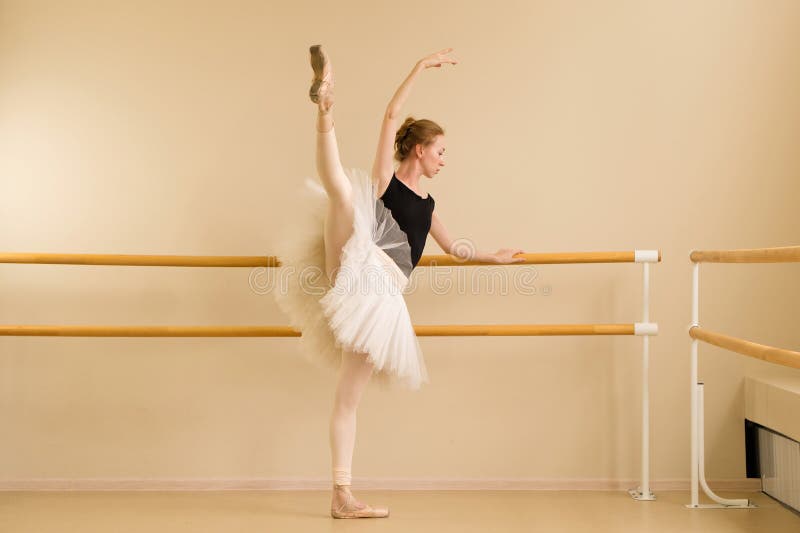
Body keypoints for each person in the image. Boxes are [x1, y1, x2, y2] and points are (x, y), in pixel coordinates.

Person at [273, 45, 525, 519]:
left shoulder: (428, 207)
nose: (444, 160)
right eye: (441, 151)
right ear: (419, 148)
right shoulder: (388, 182)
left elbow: (454, 248)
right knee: (347, 196)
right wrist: (420, 67)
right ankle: (325, 110)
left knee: (348, 398)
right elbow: (391, 115)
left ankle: (340, 494)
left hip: (377, 294)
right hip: (356, 261)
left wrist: (493, 256)